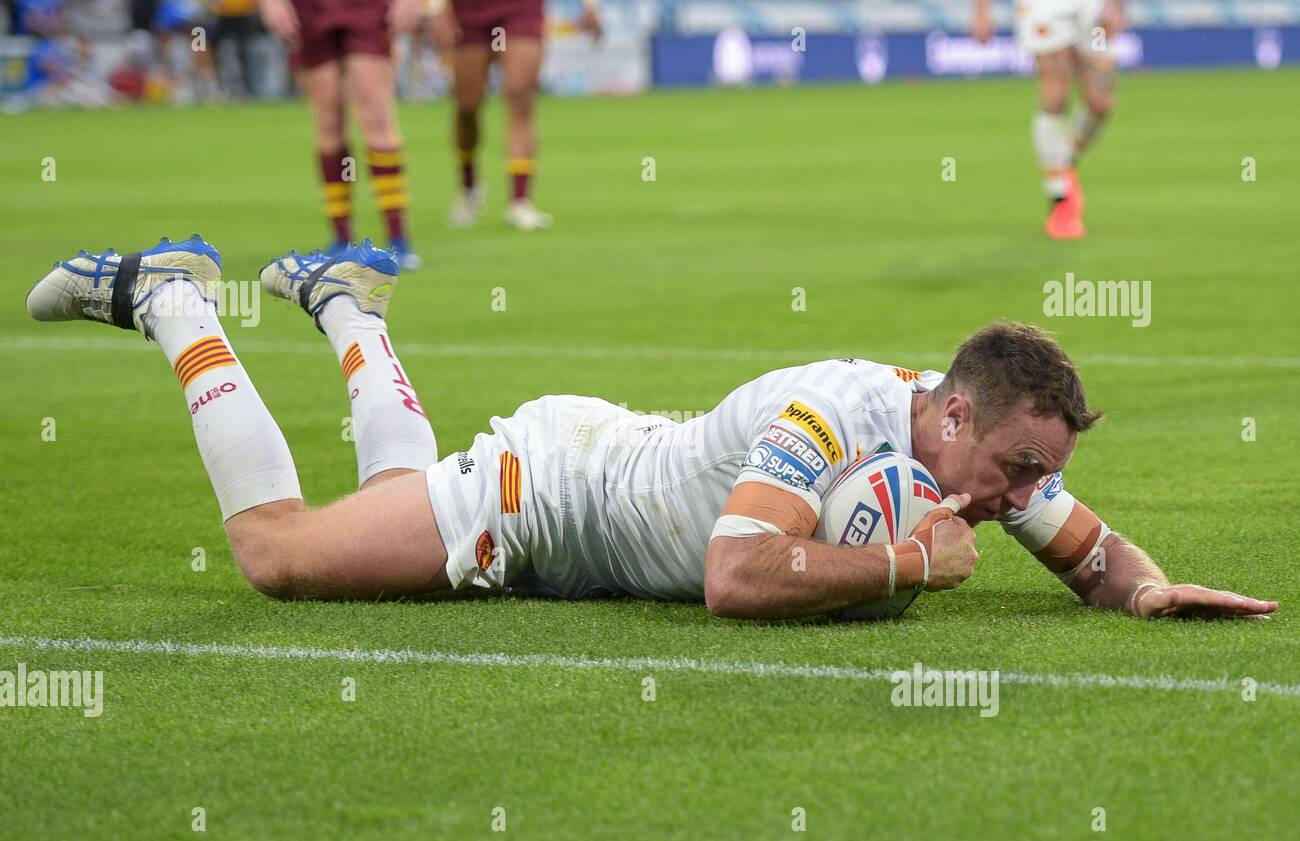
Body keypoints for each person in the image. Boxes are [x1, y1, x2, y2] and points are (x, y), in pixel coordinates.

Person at [24, 235, 1277, 621]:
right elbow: (736, 578)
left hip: (604, 456)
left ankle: (350, 309)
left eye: (1037, 477)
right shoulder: (832, 414)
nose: (1023, 498)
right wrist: (902, 564)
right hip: (551, 494)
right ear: (955, 414)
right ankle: (174, 299)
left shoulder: (981, 452)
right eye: (1017, 471)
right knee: (284, 557)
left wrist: (1149, 590)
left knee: (378, 511)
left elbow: (1096, 555)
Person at [258, 0, 424, 267]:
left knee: (376, 115)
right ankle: (341, 238)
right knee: (328, 119)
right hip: (312, 10)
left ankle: (397, 237)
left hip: (368, 9)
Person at [430, 0, 602, 230]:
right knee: (467, 107)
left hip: (521, 9)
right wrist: (436, 8)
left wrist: (590, 6)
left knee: (520, 98)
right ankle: (469, 186)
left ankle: (520, 201)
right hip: (469, 11)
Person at [971, 0, 1122, 239]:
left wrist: (1117, 6)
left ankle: (1065, 159)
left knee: (1101, 102)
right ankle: (1060, 199)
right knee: (1056, 91)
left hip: (1091, 7)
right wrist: (981, 11)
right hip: (1043, 7)